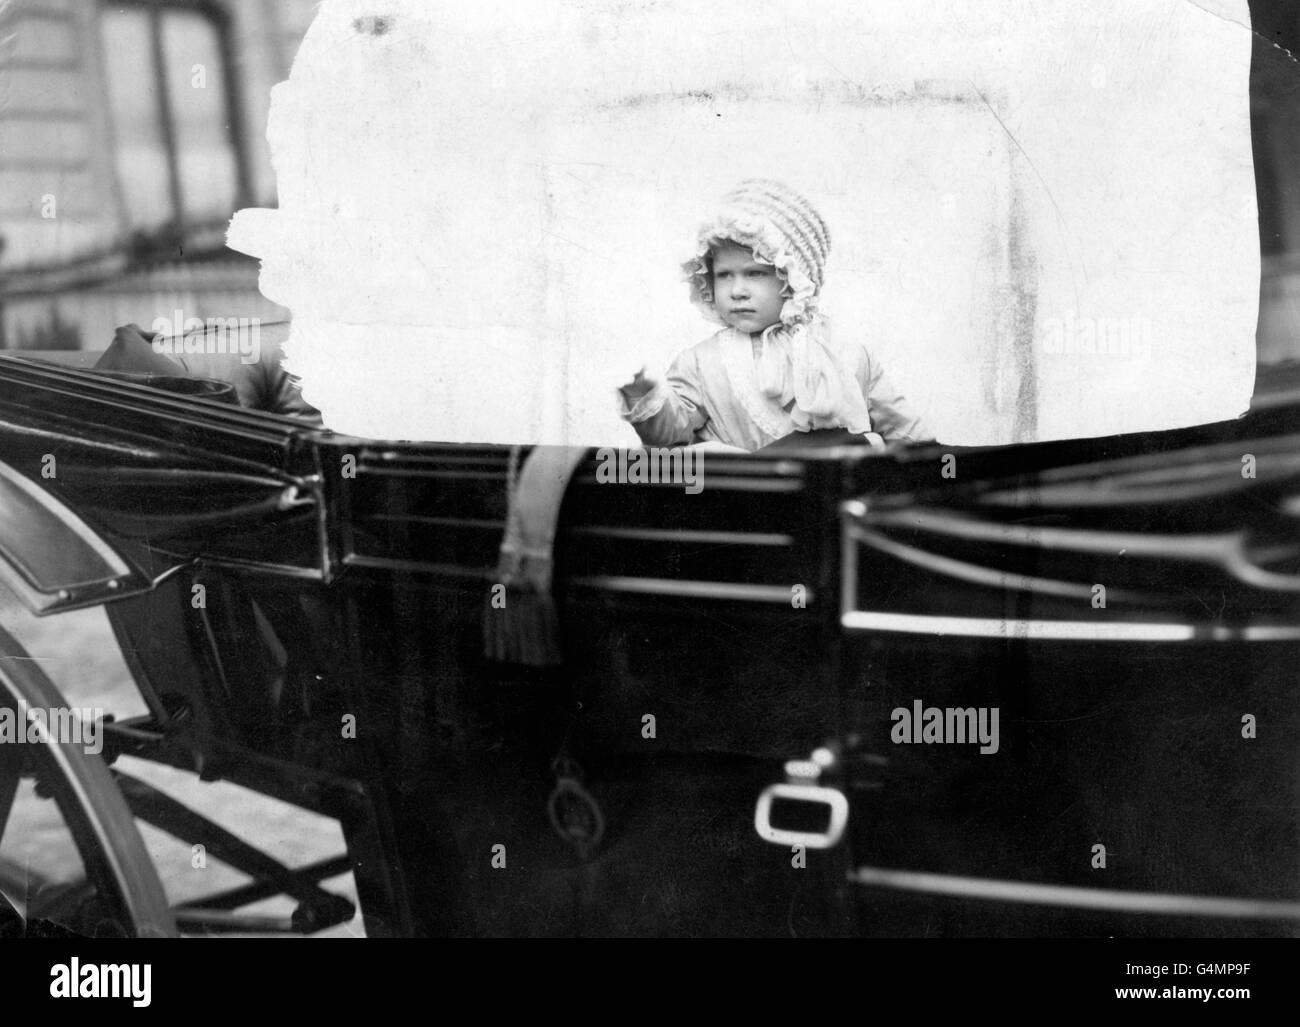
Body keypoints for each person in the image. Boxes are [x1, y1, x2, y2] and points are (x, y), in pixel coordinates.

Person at [617, 179, 933, 451]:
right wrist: (646, 398)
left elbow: (907, 434)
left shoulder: (847, 353)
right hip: (751, 506)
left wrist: (945, 468)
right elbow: (672, 432)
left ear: (793, 278)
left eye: (755, 274)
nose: (737, 290)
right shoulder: (702, 362)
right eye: (724, 275)